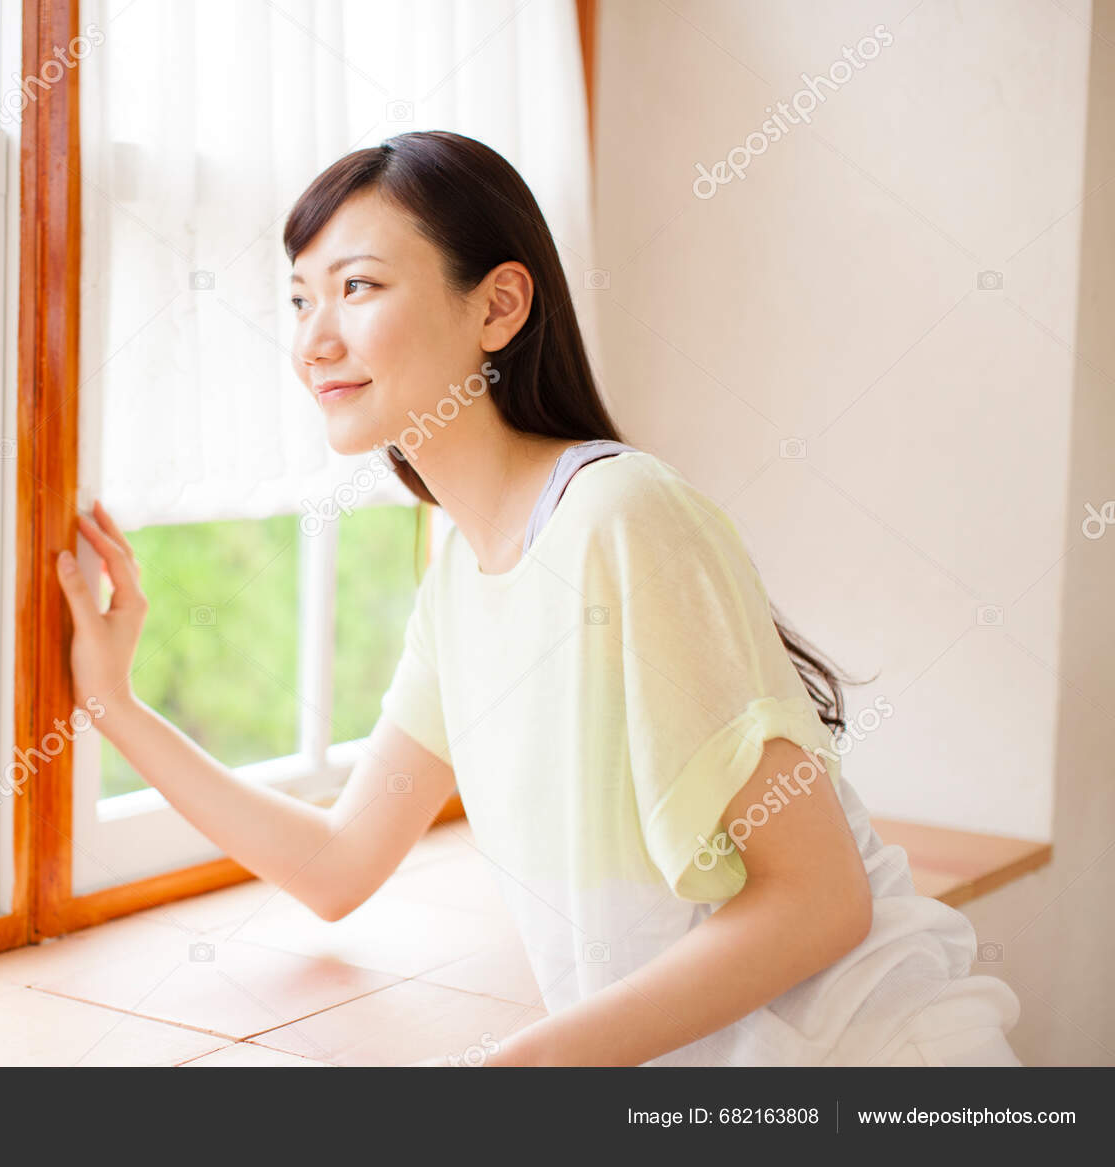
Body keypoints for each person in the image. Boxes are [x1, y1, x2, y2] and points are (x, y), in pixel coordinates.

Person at [54, 130, 1023, 1067]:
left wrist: (531, 1065)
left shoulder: (620, 516)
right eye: (300, 298)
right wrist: (114, 706)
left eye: (358, 287)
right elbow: (336, 865)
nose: (314, 340)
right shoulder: (459, 583)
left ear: (499, 307)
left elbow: (818, 900)